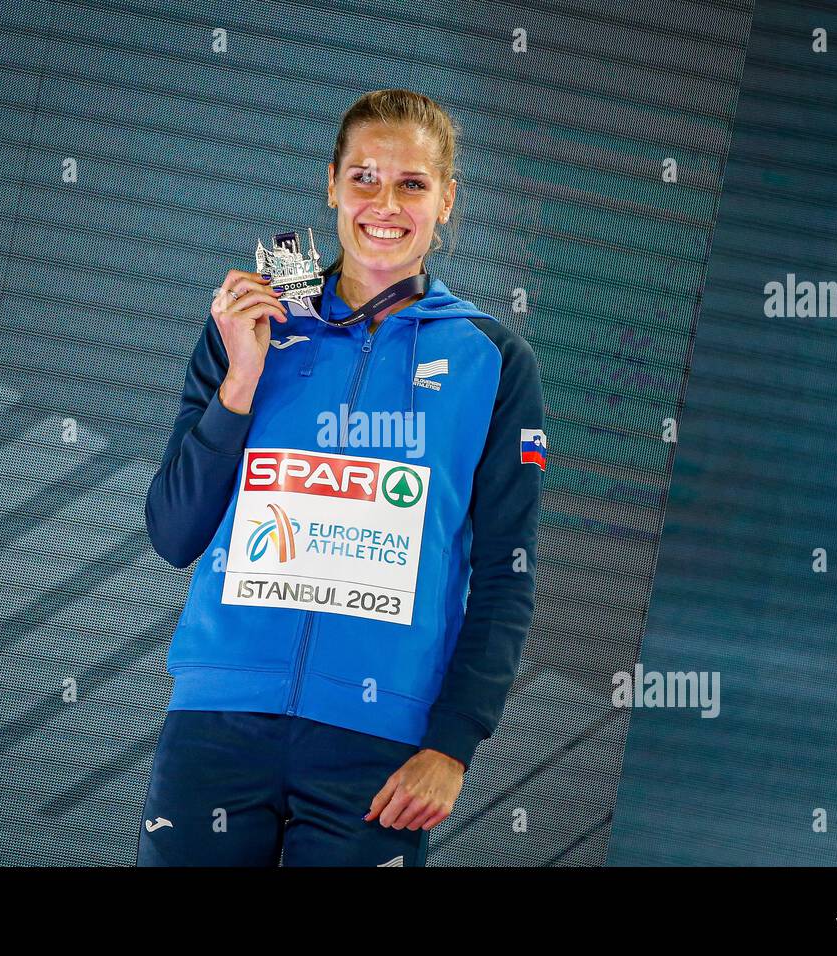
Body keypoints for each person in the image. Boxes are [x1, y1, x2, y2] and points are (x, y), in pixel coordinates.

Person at [138, 89, 547, 866]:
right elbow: (172, 533)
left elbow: (505, 575)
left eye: (412, 184)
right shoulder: (248, 325)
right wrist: (240, 382)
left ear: (447, 199)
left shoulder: (491, 360)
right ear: (331, 183)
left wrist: (453, 747)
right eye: (363, 178)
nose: (384, 204)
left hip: (381, 751)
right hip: (218, 727)